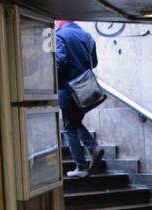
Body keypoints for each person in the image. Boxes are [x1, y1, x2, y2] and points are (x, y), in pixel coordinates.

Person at [55, 20, 104, 178]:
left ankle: (81, 167)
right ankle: (93, 148)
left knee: (68, 128)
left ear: (59, 23)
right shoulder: (87, 36)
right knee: (75, 122)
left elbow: (60, 61)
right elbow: (94, 62)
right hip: (87, 89)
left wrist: (55, 81)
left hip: (69, 89)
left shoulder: (60, 35)